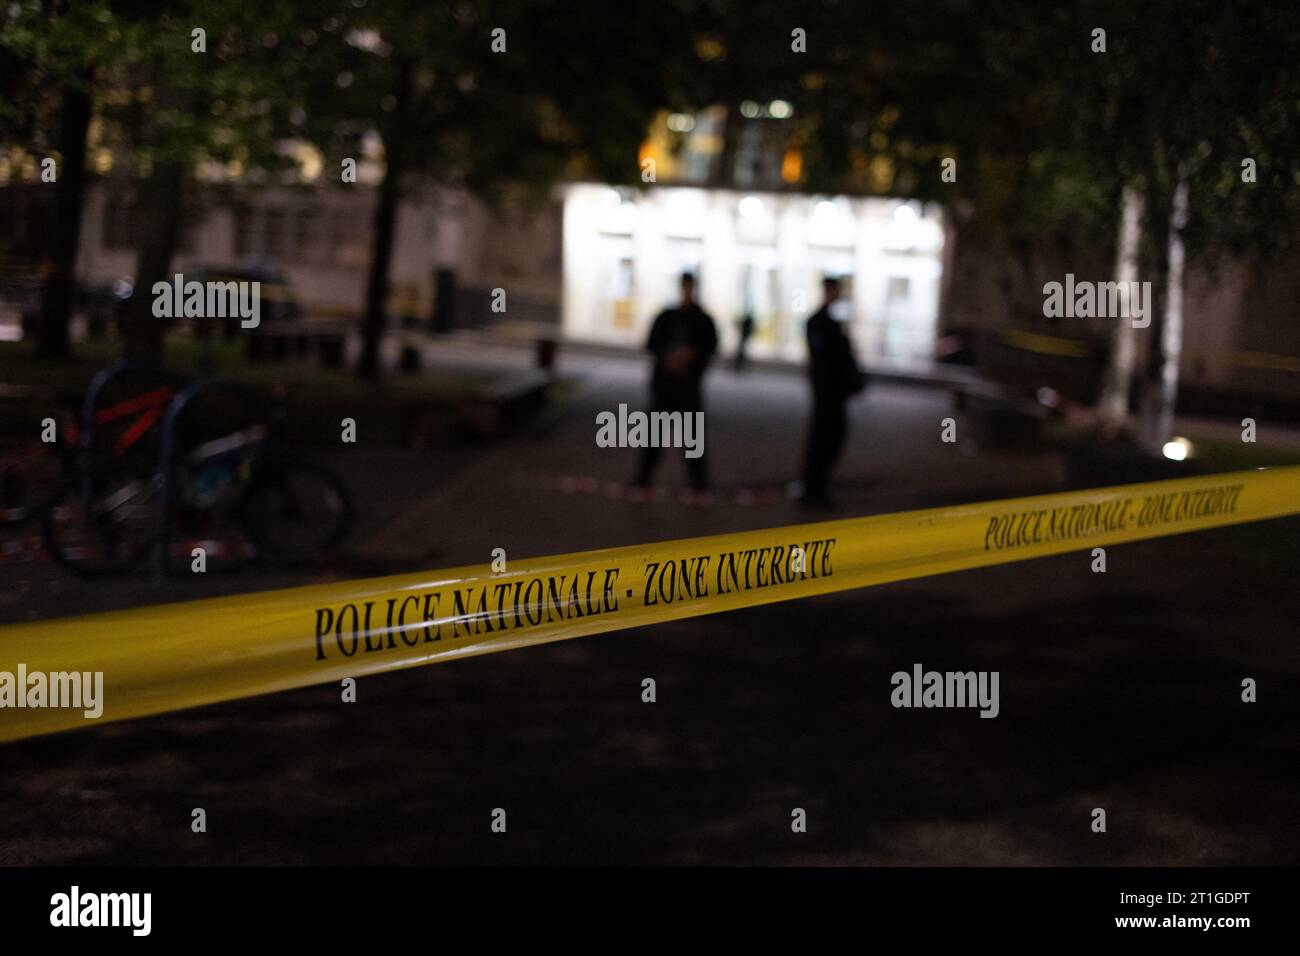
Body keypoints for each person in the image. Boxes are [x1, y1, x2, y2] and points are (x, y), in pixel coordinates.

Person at [634, 272, 718, 491]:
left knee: (692, 438)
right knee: (653, 435)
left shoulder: (703, 320)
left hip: (689, 389)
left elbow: (710, 347)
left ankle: (698, 482)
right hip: (665, 387)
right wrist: (669, 358)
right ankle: (643, 477)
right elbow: (652, 344)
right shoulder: (667, 317)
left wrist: (691, 357)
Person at [801, 276, 865, 507]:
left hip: (833, 392)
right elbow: (827, 360)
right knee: (823, 440)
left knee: (829, 439)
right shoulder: (819, 323)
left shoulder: (829, 323)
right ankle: (813, 489)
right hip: (827, 392)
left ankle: (816, 487)